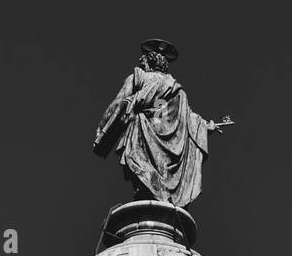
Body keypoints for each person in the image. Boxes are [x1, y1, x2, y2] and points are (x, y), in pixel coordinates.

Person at [93, 38, 233, 207]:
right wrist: (205, 126)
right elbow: (180, 118)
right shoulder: (176, 90)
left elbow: (119, 104)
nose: (141, 63)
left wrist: (102, 130)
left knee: (139, 165)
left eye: (143, 60)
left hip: (143, 135)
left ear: (148, 61)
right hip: (167, 147)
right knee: (150, 174)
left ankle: (149, 189)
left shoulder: (139, 78)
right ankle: (156, 189)